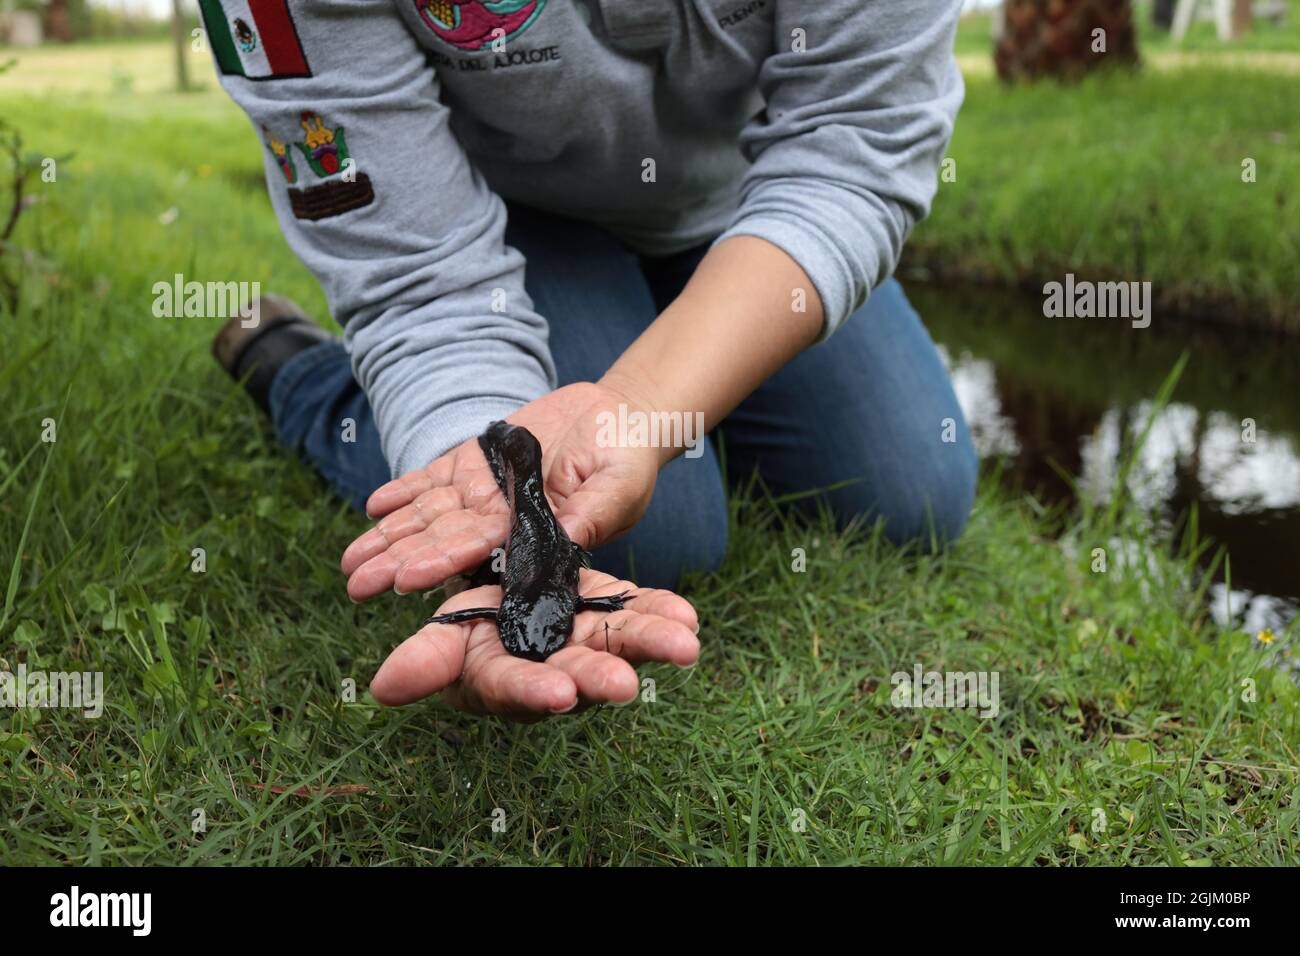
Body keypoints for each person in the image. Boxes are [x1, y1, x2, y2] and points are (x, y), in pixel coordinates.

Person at [202, 0, 977, 721]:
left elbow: (858, 137)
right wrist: (469, 458)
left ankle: (666, 358)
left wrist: (647, 406)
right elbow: (418, 272)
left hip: (752, 212)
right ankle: (306, 378)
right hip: (508, 228)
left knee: (910, 488)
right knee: (657, 539)